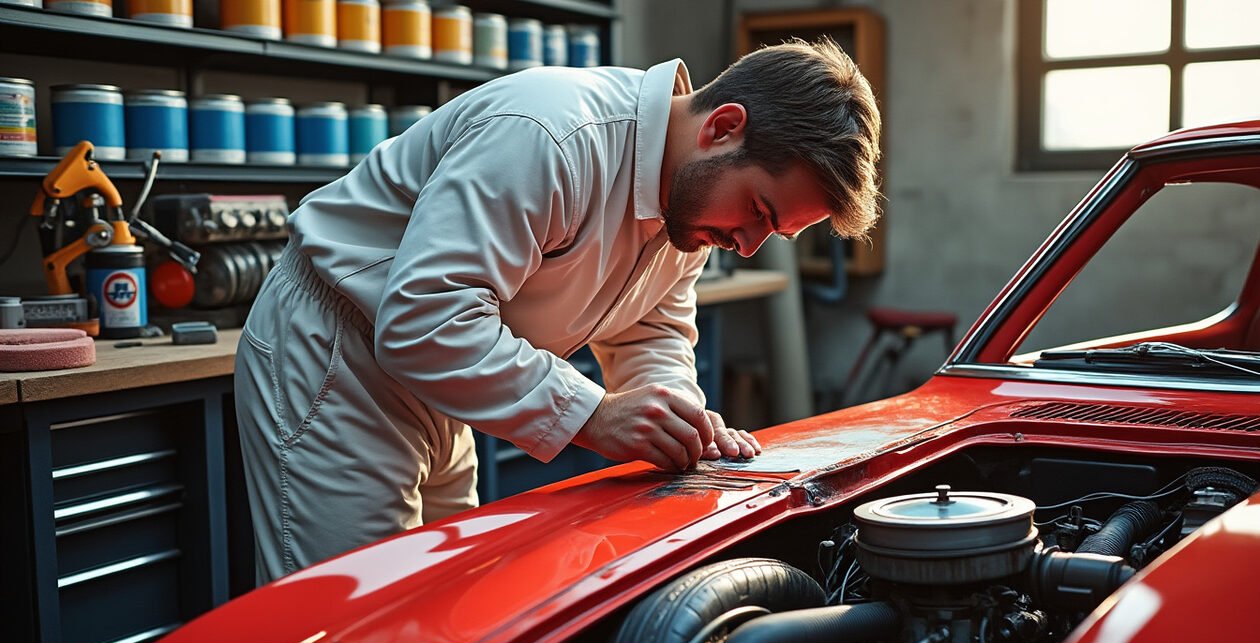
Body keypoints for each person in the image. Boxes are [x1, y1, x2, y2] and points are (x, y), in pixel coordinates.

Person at [235, 38, 882, 583]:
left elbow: (650, 329)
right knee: (352, 626)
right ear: (722, 128)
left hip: (441, 378)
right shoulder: (551, 135)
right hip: (339, 356)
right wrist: (595, 415)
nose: (747, 244)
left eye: (773, 233)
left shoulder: (688, 204)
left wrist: (675, 420)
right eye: (759, 213)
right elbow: (424, 320)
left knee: (438, 607)